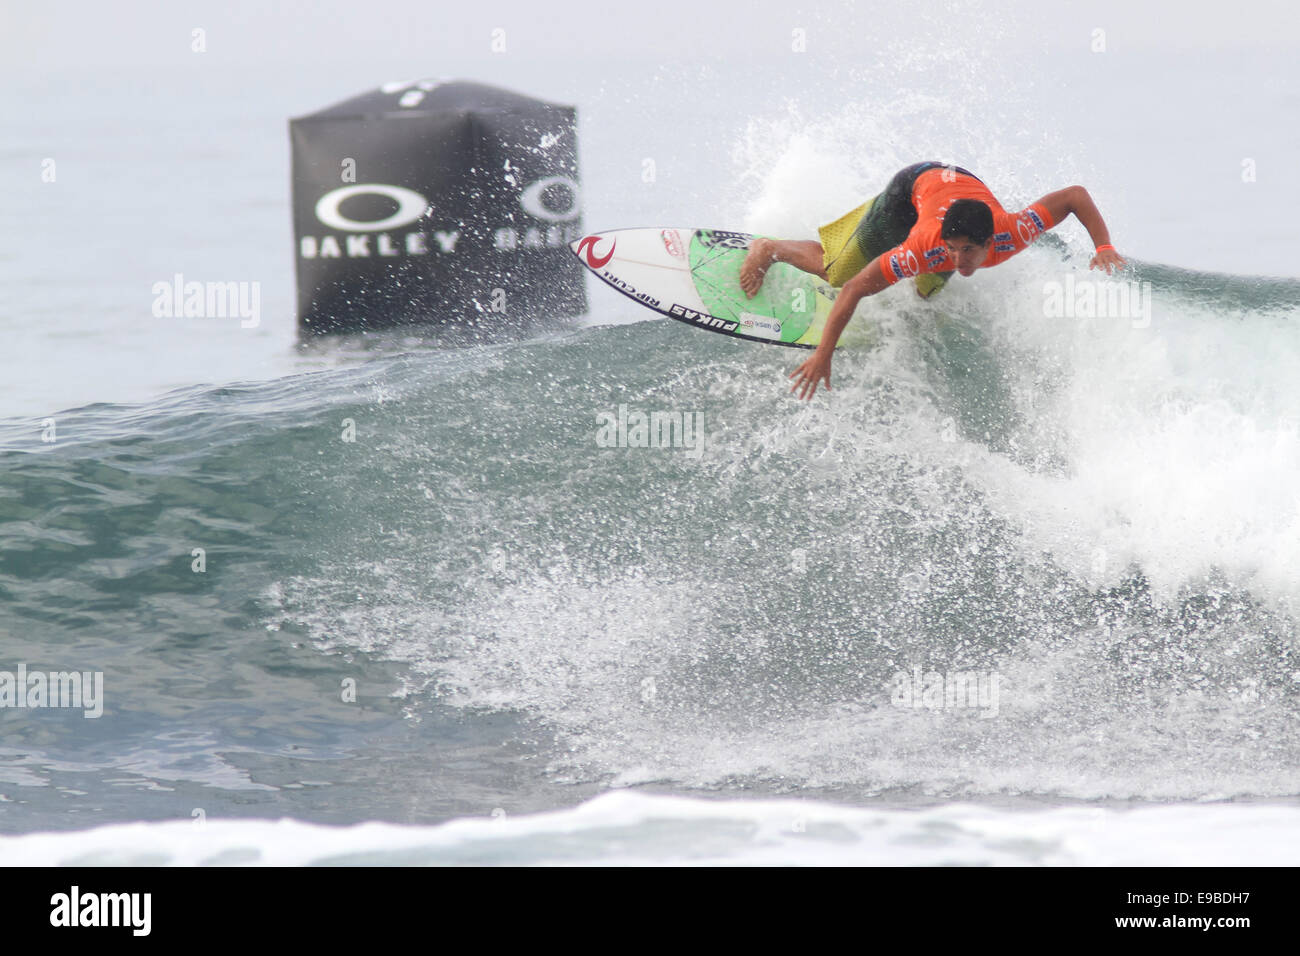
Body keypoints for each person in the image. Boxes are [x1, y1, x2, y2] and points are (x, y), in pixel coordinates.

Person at [736, 161, 1126, 399]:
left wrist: (1103, 246)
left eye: (967, 252)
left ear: (990, 243)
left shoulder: (1014, 233)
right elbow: (856, 290)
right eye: (952, 250)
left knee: (926, 291)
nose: (958, 260)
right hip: (911, 190)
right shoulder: (927, 246)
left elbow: (1075, 195)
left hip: (960, 188)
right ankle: (772, 250)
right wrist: (823, 354)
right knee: (842, 274)